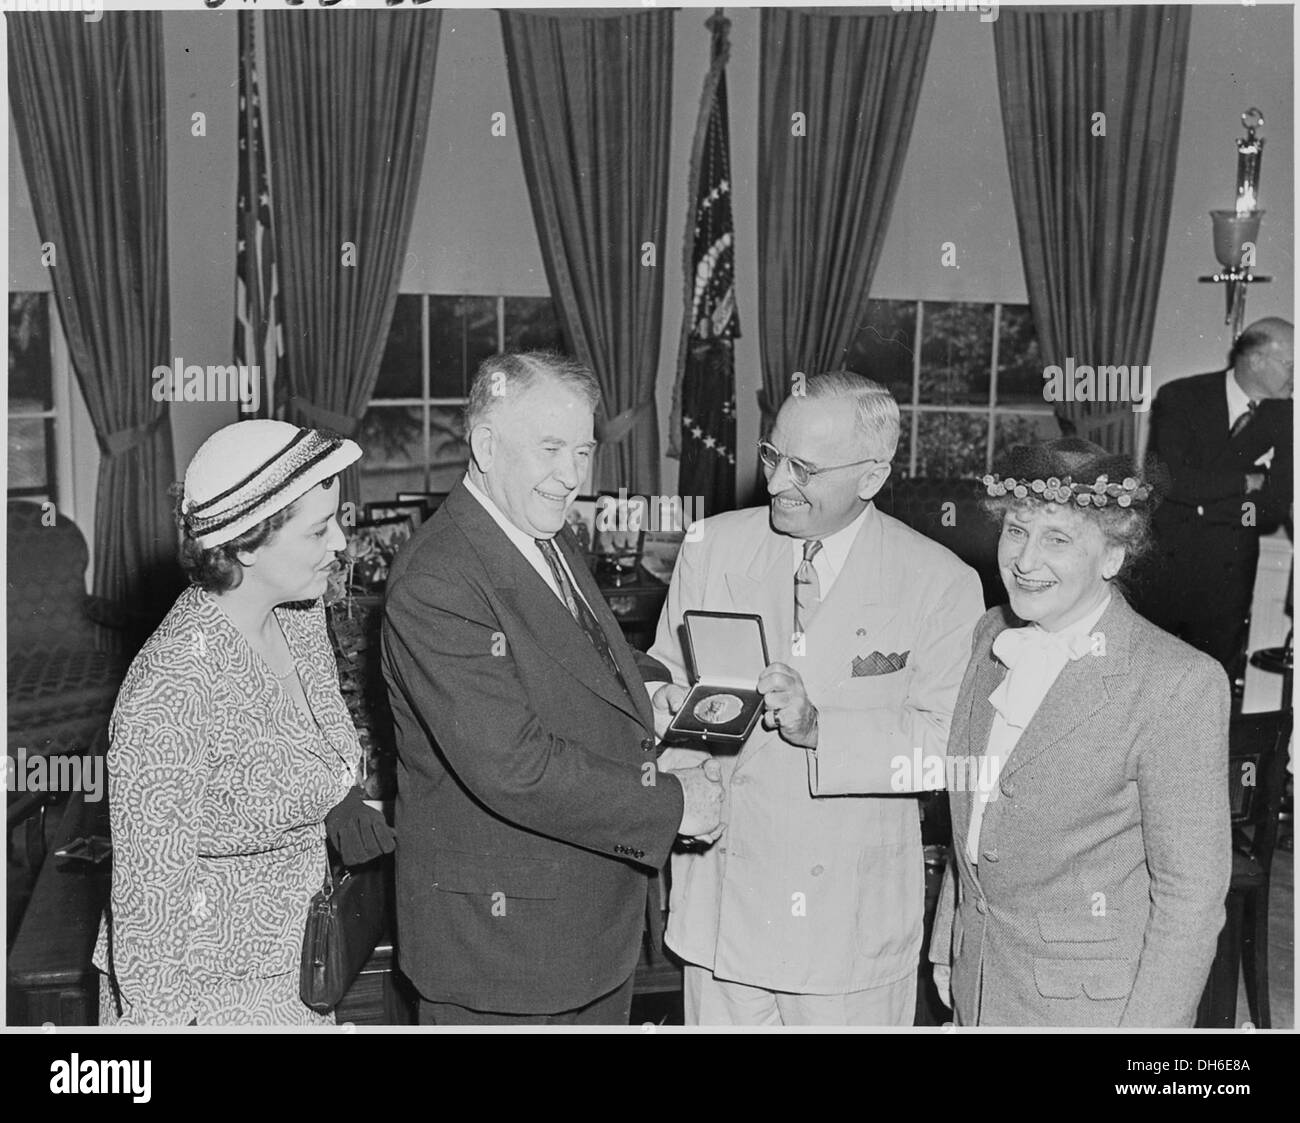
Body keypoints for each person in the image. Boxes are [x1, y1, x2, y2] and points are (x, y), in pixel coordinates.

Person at [382, 351, 723, 1026]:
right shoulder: (439, 579)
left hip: (583, 940)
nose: (572, 476)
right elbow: (515, 767)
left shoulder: (540, 530)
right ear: (485, 445)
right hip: (505, 960)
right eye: (550, 449)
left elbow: (583, 655)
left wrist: (653, 696)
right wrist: (674, 804)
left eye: (584, 450)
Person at [649, 373, 985, 1025]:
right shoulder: (711, 546)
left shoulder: (941, 582)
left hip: (848, 930)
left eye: (804, 468)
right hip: (724, 907)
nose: (776, 483)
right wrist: (667, 718)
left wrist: (819, 727)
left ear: (870, 476)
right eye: (773, 456)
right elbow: (665, 676)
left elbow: (943, 752)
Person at [94, 421, 395, 1025]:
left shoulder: (298, 613)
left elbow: (312, 739)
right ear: (247, 545)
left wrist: (338, 796)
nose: (339, 541)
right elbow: (148, 926)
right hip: (208, 998)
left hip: (302, 970)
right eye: (318, 529)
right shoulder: (171, 689)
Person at [930, 438, 1231, 1027]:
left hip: (1089, 1011)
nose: (1024, 559)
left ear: (1113, 554)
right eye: (1016, 531)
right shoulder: (990, 634)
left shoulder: (1178, 683)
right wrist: (951, 945)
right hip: (980, 977)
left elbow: (1189, 902)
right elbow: (974, 816)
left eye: (1058, 539)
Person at [1140, 317, 1293, 678]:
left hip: (1228, 578)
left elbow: (1270, 510)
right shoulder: (1181, 397)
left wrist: (1234, 512)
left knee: (1211, 686)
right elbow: (1170, 482)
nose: (1297, 376)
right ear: (1256, 360)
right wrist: (1245, 483)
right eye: (1291, 365)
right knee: (1143, 680)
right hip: (1164, 571)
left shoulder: (1288, 417)